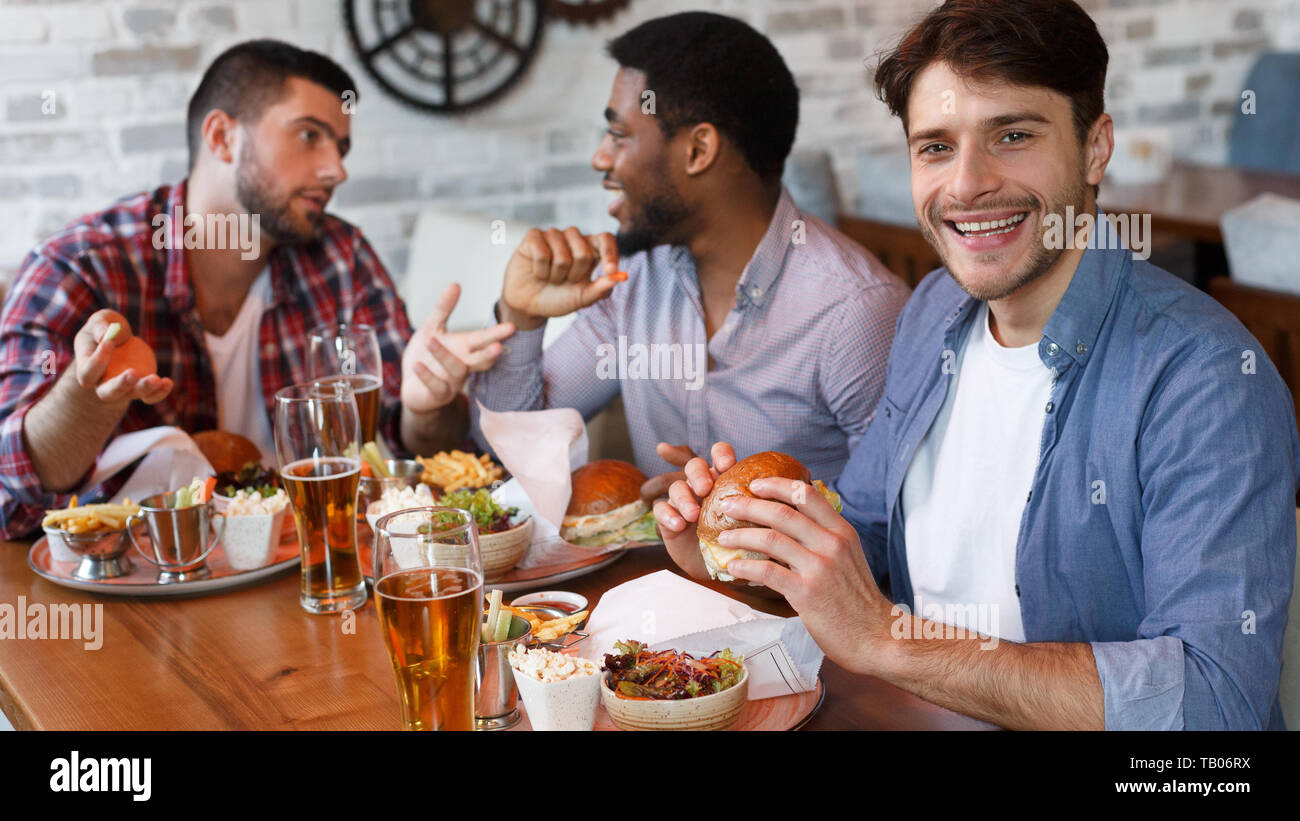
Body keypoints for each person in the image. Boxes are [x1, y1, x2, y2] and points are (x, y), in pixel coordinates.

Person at [655, 0, 1299, 730]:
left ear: (1095, 147)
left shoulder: (1204, 378)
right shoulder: (934, 310)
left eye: (1013, 135)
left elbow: (1217, 703)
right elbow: (864, 532)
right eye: (935, 147)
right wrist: (743, 550)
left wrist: (886, 640)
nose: (966, 185)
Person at [0, 40, 508, 539]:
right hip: (145, 600)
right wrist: (86, 397)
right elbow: (12, 486)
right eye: (310, 136)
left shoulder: (341, 256)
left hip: (311, 573)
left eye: (342, 146)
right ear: (222, 138)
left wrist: (427, 407)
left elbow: (409, 450)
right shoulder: (82, 265)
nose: (337, 169)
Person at [467, 12, 909, 501]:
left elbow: (891, 528)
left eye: (618, 135)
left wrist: (741, 525)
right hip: (652, 578)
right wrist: (521, 318)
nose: (601, 158)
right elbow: (505, 459)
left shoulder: (855, 311)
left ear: (698, 150)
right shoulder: (631, 276)